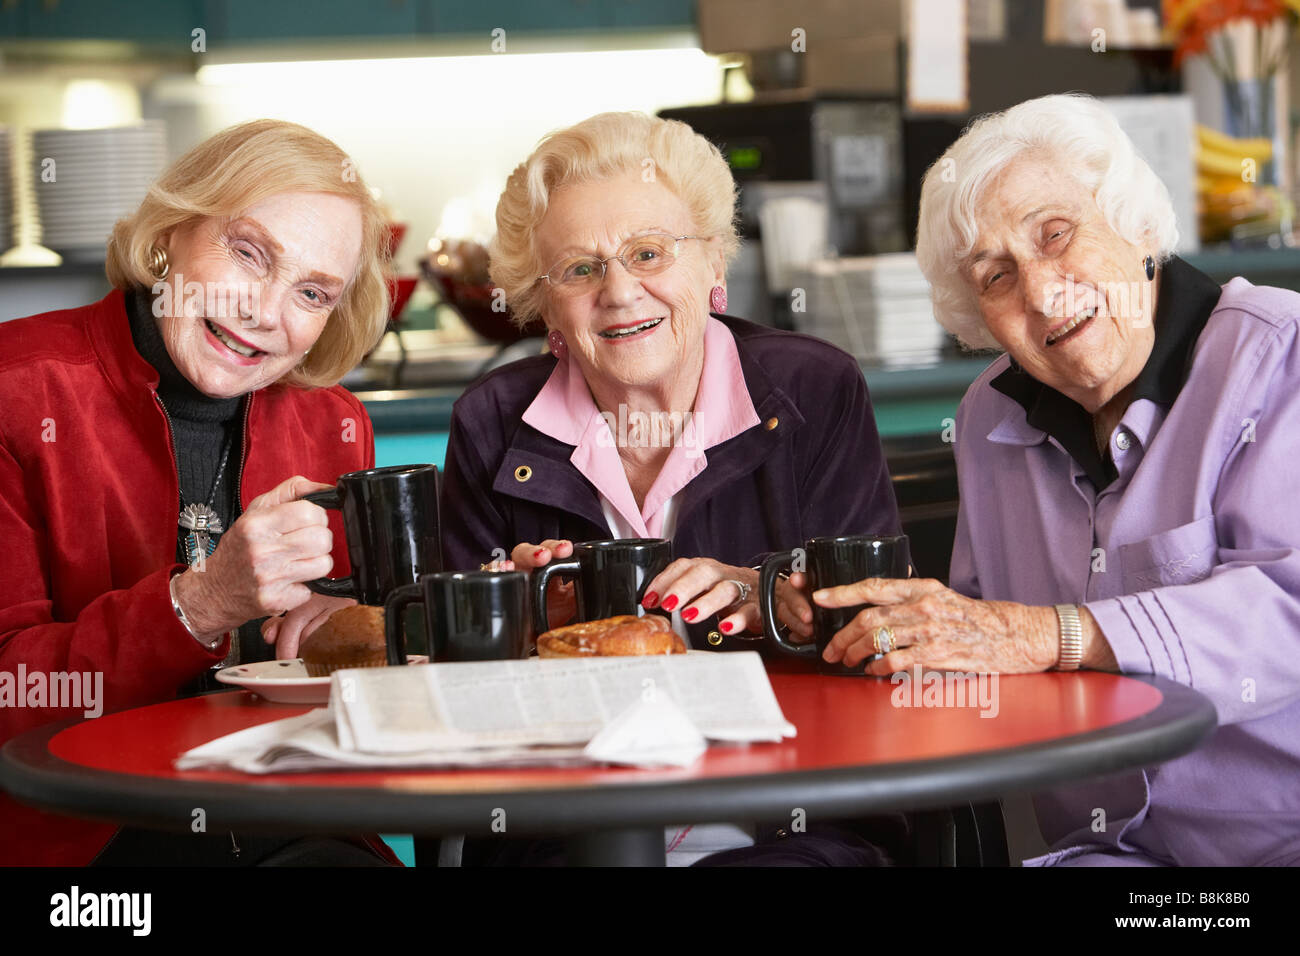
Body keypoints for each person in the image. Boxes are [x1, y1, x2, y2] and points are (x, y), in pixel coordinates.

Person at [811, 93, 1300, 866]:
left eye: (1056, 235)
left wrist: (1051, 635)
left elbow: (1288, 619)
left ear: (1135, 224)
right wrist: (831, 626)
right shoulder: (987, 419)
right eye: (996, 276)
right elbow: (981, 649)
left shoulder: (1280, 356)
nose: (1041, 293)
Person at [439, 111, 904, 865]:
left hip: (793, 816)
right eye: (581, 270)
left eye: (648, 253)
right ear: (546, 307)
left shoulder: (814, 390)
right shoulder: (493, 421)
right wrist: (508, 625)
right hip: (567, 828)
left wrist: (768, 598)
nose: (620, 293)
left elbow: (883, 630)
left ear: (713, 266)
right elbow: (450, 699)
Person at [0, 119, 396, 865]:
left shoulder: (333, 427)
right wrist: (200, 604)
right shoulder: (16, 393)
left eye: (311, 292)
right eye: (249, 254)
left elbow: (376, 695)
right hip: (81, 831)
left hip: (298, 819)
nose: (265, 313)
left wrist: (343, 632)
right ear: (169, 237)